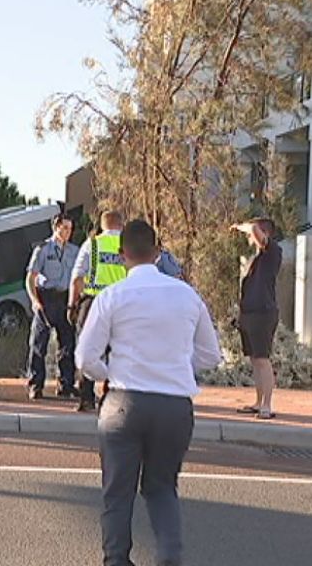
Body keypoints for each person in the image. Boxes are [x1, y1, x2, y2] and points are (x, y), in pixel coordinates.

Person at [75, 220, 222, 566]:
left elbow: (85, 357)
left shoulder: (113, 296)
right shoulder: (187, 295)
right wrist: (176, 365)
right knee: (161, 488)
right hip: (174, 406)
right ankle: (169, 555)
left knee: (117, 492)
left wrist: (107, 374)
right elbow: (211, 355)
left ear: (122, 254)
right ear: (157, 253)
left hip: (124, 402)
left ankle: (116, 560)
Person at [69, 210, 126, 412]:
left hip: (93, 302)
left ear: (102, 226)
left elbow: (77, 278)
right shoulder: (127, 246)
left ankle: (86, 398)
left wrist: (72, 304)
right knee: (118, 352)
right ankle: (110, 397)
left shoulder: (91, 244)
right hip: (121, 303)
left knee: (88, 349)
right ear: (121, 225)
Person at [24, 213, 79, 399]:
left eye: (70, 229)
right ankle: (35, 384)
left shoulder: (74, 251)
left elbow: (80, 276)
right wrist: (35, 300)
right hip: (46, 297)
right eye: (64, 228)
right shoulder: (43, 250)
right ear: (56, 228)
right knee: (39, 343)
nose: (67, 232)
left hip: (65, 298)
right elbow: (30, 278)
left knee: (67, 343)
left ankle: (66, 384)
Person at [232, 218, 282, 420]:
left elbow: (253, 228)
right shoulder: (259, 258)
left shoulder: (273, 252)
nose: (249, 238)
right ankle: (258, 401)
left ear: (265, 233)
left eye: (252, 235)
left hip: (263, 313)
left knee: (262, 359)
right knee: (254, 359)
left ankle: (267, 405)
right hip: (250, 313)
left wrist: (241, 226)